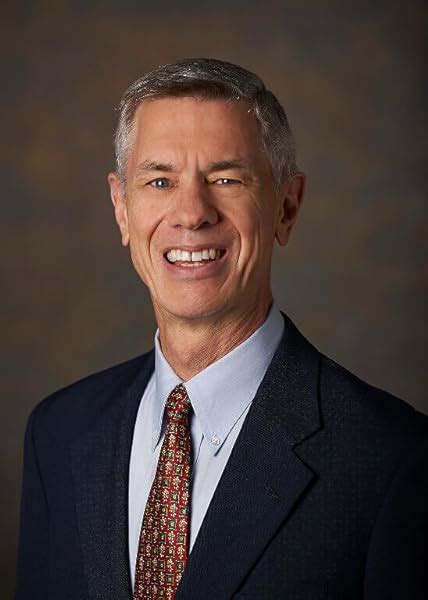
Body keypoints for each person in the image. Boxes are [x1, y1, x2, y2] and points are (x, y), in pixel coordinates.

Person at [16, 58, 427, 600]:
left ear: (286, 206)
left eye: (226, 178)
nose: (191, 212)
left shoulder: (395, 459)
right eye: (159, 180)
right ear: (121, 208)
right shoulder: (59, 432)